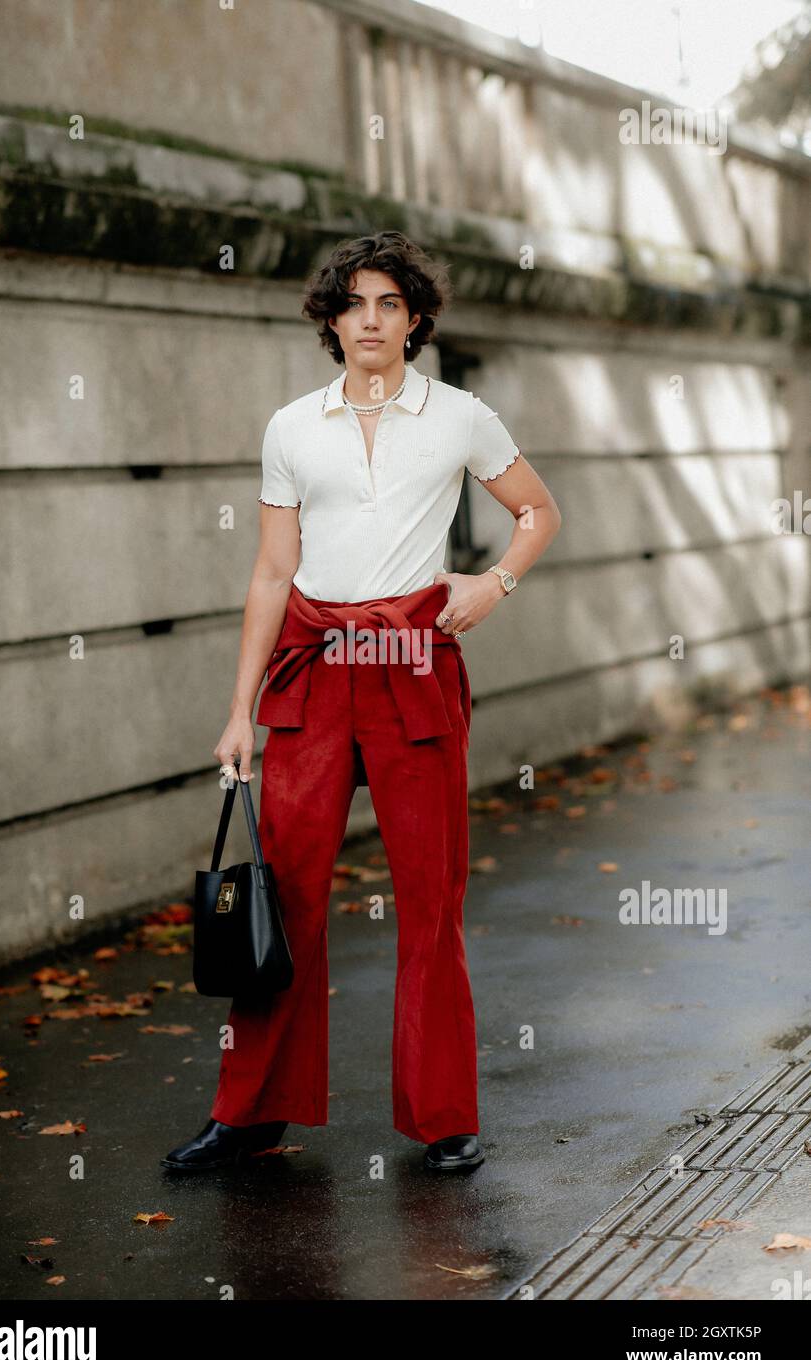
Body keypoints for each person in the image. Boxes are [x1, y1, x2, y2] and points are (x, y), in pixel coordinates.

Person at [162, 230, 561, 1175]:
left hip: (413, 664)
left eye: (389, 303)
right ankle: (251, 1113)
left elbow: (539, 511)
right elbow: (270, 571)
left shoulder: (460, 415)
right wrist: (237, 711)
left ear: (415, 317)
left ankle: (443, 1116)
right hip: (314, 667)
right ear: (331, 319)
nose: (371, 320)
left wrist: (492, 584)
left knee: (430, 898)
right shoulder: (293, 427)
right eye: (354, 304)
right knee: (287, 894)